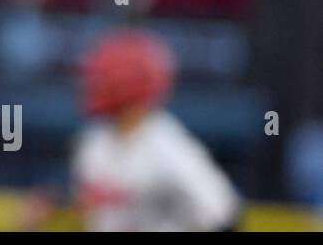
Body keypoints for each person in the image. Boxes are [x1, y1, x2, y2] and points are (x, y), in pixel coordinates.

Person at [70, 29, 241, 231]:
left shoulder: (169, 147)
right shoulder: (94, 141)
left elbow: (223, 213)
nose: (94, 84)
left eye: (103, 77)